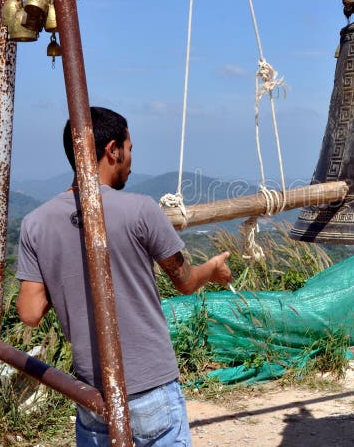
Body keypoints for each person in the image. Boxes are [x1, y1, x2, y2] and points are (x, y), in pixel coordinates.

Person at [16, 106, 232, 446]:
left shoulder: (35, 224)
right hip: (152, 389)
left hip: (92, 395)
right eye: (129, 150)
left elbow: (29, 314)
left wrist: (60, 268)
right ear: (112, 150)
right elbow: (186, 281)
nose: (131, 161)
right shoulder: (142, 210)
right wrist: (214, 270)